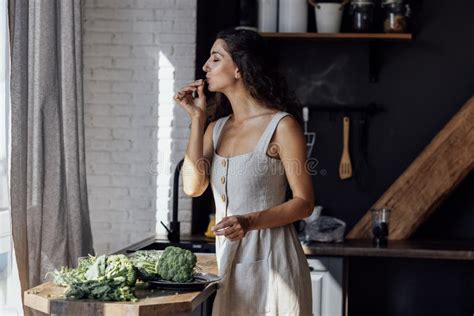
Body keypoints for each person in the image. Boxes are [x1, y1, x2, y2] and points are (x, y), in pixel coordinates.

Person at [174, 28, 314, 316]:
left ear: (239, 68)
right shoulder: (217, 128)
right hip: (230, 264)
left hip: (276, 264)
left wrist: (249, 221)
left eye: (215, 59)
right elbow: (192, 187)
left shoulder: (281, 127)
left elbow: (304, 203)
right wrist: (198, 119)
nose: (205, 67)